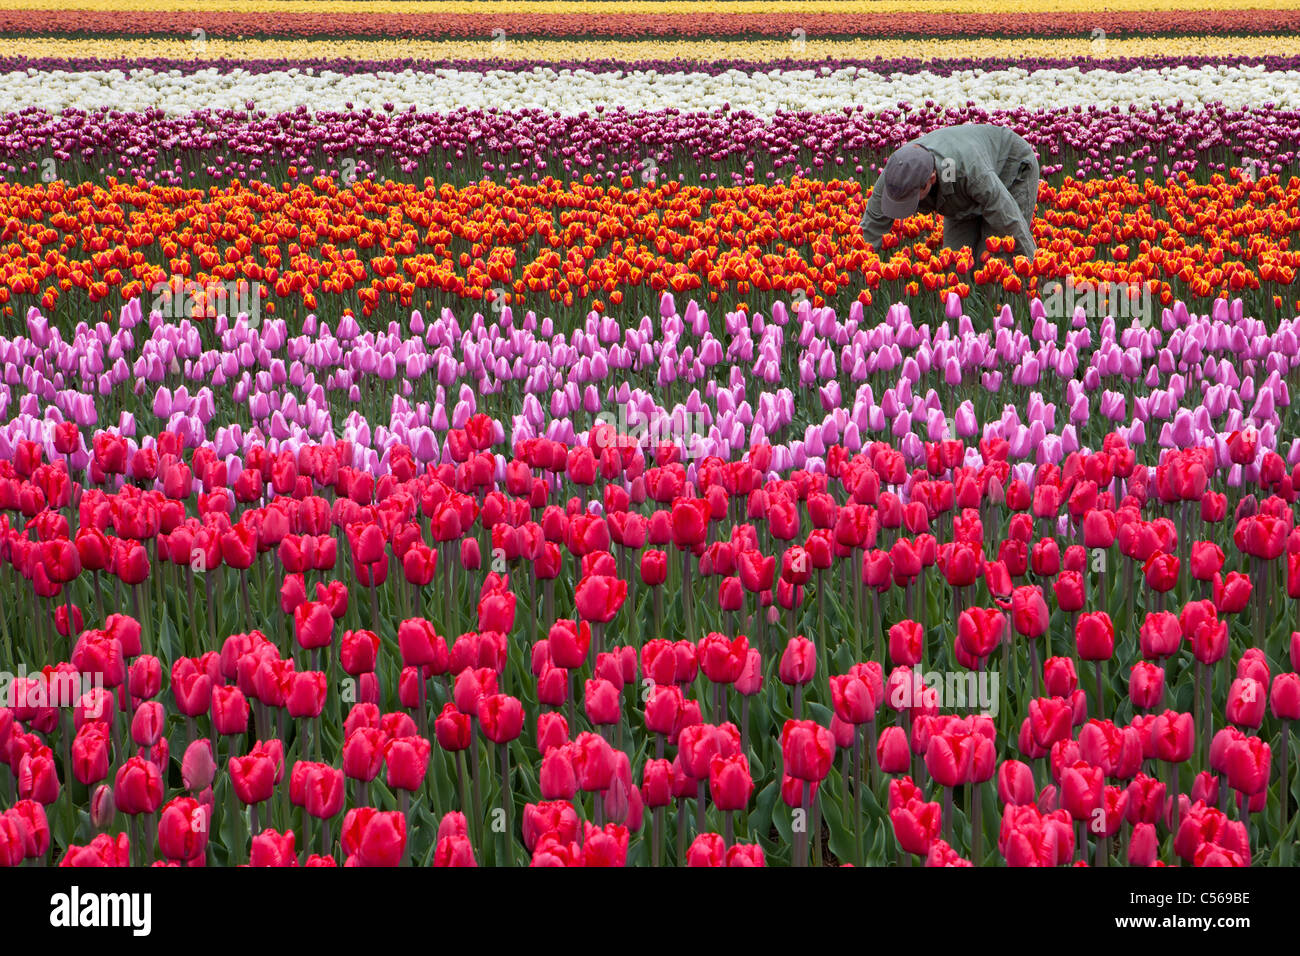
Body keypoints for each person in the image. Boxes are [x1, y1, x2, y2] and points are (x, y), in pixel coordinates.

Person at [861, 124, 1039, 260]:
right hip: (960, 197)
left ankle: (1003, 306)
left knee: (994, 259)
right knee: (954, 265)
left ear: (931, 179)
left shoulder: (969, 171)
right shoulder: (896, 172)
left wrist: (1035, 269)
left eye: (911, 198)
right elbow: (871, 226)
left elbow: (1010, 222)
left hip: (1011, 170)